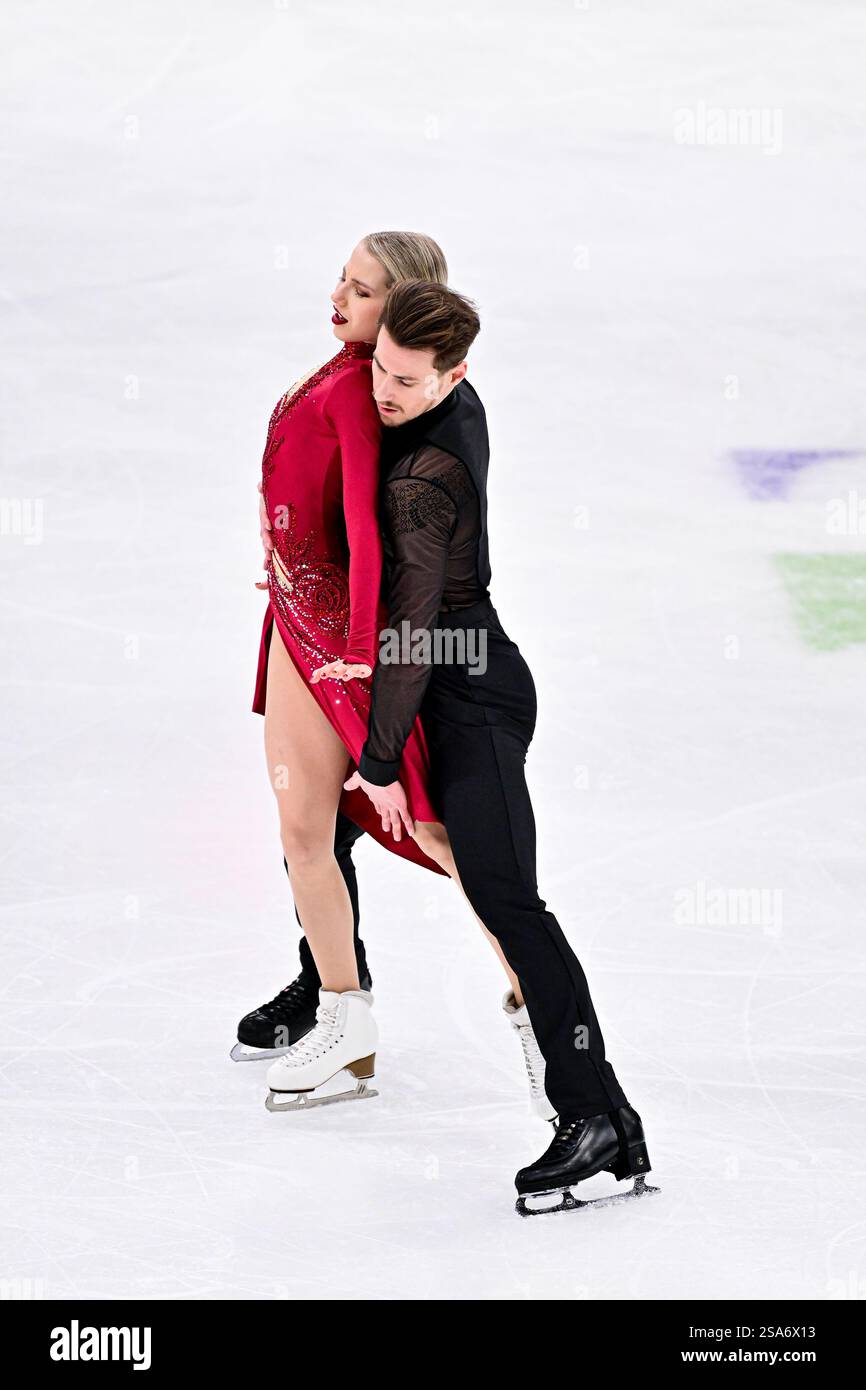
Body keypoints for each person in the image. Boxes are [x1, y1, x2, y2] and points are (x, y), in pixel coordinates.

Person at [267, 280, 657, 1211]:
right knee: (330, 835)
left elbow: (410, 635)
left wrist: (379, 761)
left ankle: (595, 1117)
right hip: (455, 671)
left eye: (406, 381)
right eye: (381, 370)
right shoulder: (454, 402)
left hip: (469, 697)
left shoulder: (421, 484)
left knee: (509, 902)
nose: (384, 392)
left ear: (455, 374)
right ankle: (328, 993)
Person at [237, 234, 552, 1122]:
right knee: (306, 828)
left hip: (339, 636)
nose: (339, 295)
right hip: (297, 617)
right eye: (343, 278)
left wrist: (363, 654)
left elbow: (375, 541)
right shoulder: (356, 372)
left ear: (402, 309)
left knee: (436, 833)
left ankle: (541, 1014)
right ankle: (342, 1015)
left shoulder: (367, 395)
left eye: (363, 289)